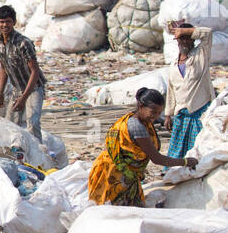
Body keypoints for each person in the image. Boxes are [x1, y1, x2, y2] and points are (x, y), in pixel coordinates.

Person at [88, 88, 197, 206]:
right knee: (116, 213)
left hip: (122, 171)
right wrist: (185, 162)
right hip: (115, 174)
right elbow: (157, 159)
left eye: (159, 113)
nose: (155, 117)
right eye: (153, 112)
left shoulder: (137, 120)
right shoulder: (137, 127)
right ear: (141, 106)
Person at [0, 4, 46, 141]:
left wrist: (24, 98)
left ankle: (39, 156)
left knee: (33, 123)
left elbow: (34, 71)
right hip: (17, 89)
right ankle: (15, 154)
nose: (5, 25)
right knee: (10, 125)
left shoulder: (23, 43)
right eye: (2, 22)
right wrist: (0, 93)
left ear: (14, 23)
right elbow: (4, 68)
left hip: (33, 88)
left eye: (8, 22)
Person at [164, 22, 213, 158]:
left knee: (198, 151)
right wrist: (168, 114)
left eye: (188, 37)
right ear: (177, 40)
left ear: (193, 39)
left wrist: (184, 30)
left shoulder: (201, 55)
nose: (185, 41)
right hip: (181, 114)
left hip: (200, 112)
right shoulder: (174, 65)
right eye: (182, 38)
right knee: (177, 152)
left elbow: (208, 33)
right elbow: (171, 90)